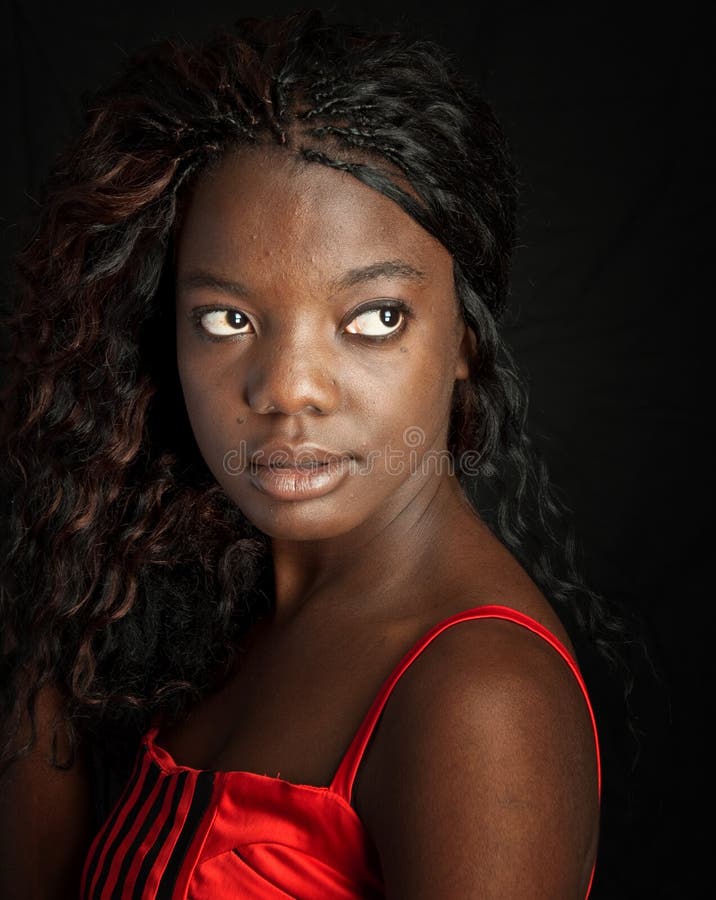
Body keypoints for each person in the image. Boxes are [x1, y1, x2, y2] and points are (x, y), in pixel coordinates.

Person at [0, 9, 613, 898]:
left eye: (373, 319)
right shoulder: (212, 617)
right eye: (228, 319)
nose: (288, 389)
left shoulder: (481, 699)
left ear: (466, 340)